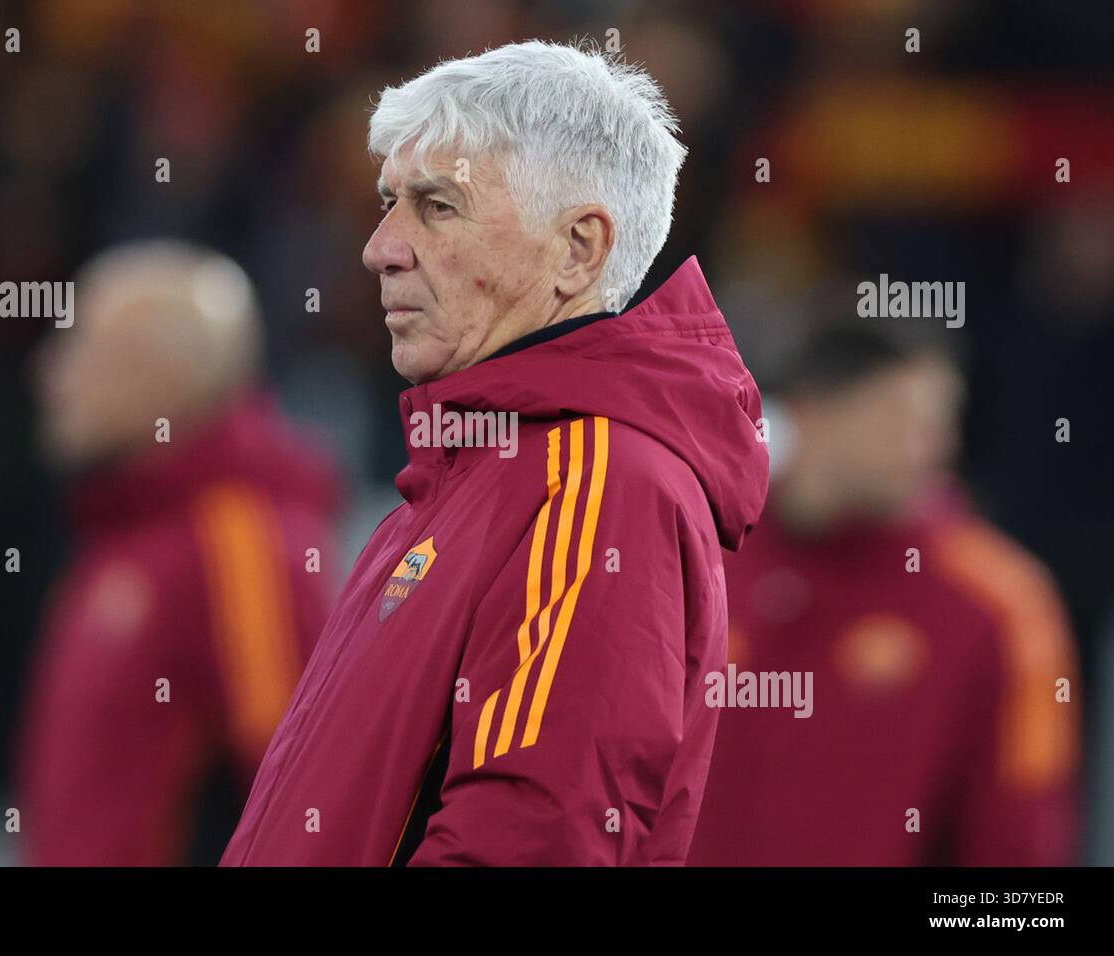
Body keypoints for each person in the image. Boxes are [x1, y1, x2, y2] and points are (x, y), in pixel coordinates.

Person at [220, 40, 769, 866]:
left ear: (579, 248)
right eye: (388, 202)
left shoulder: (599, 481)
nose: (381, 247)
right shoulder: (466, 475)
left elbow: (531, 840)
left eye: (437, 206)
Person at [686, 323, 1080, 865]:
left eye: (942, 423)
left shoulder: (999, 602)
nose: (936, 447)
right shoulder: (700, 557)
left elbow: (1020, 851)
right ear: (812, 413)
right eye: (900, 420)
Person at [16, 240, 343, 865]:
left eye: (80, 345)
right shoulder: (125, 535)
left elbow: (304, 797)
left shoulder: (241, 543)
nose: (50, 372)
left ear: (161, 375)